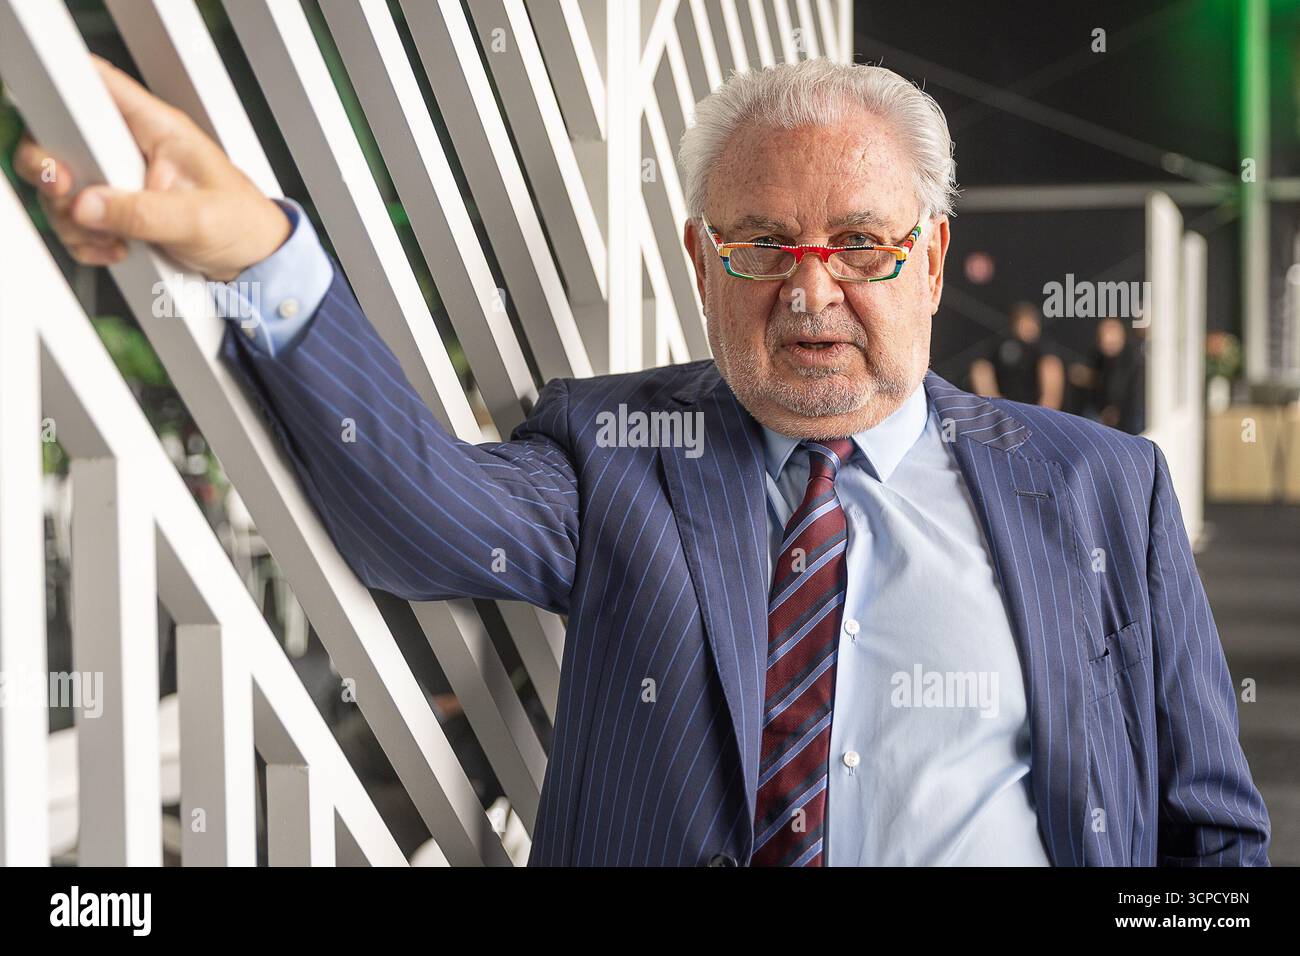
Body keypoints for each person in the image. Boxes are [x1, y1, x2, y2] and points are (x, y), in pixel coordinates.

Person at [16, 56, 1269, 867]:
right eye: (760, 244)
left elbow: (1211, 832)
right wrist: (258, 256)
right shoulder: (624, 452)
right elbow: (415, 513)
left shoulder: (1102, 486)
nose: (810, 289)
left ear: (932, 259)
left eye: (862, 245)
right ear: (697, 259)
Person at [970, 302, 1064, 409]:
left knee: (1050, 365)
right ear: (1015, 324)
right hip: (1005, 406)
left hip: (1035, 408)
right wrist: (995, 403)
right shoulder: (1001, 345)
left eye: (1030, 323)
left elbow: (1052, 374)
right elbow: (981, 369)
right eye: (1023, 323)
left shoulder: (1043, 348)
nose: (1028, 328)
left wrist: (1044, 411)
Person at [1069, 317, 1145, 435]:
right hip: (1103, 413)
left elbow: (1130, 393)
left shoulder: (1132, 359)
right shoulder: (1099, 358)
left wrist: (1115, 410)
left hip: (1128, 418)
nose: (1106, 340)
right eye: (1103, 335)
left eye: (1110, 334)